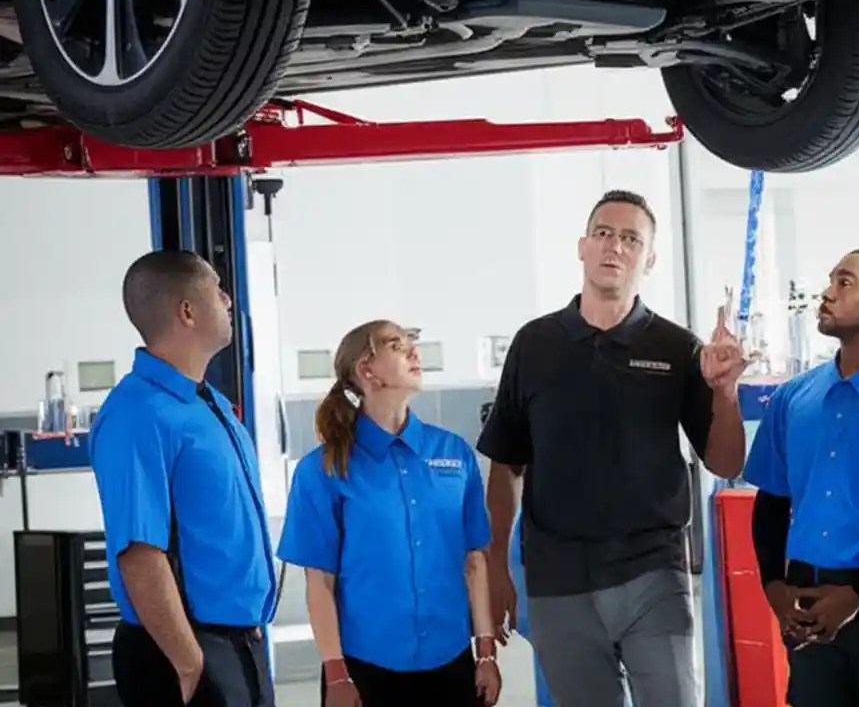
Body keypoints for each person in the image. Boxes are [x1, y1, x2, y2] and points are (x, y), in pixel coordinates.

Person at [480, 189, 747, 707]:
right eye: (604, 233)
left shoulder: (676, 347)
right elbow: (506, 464)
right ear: (582, 246)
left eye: (631, 239)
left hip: (653, 573)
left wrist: (725, 393)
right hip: (559, 580)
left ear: (648, 258)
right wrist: (497, 570)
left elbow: (725, 462)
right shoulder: (535, 344)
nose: (615, 247)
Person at [277, 320, 501, 706]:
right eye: (397, 346)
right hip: (367, 670)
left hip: (450, 663)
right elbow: (320, 583)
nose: (415, 352)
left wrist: (485, 654)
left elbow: (474, 562)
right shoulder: (324, 469)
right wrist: (336, 674)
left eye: (412, 342)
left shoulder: (453, 453)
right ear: (367, 371)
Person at [89, 250, 277, 706]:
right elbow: (139, 553)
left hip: (237, 646)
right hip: (184, 651)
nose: (229, 300)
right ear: (187, 311)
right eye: (217, 289)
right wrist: (190, 664)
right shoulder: (138, 414)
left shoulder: (205, 403)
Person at [746, 249, 859, 707]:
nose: (828, 293)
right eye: (830, 280)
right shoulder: (794, 397)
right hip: (805, 602)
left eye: (845, 283)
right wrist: (775, 589)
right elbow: (770, 501)